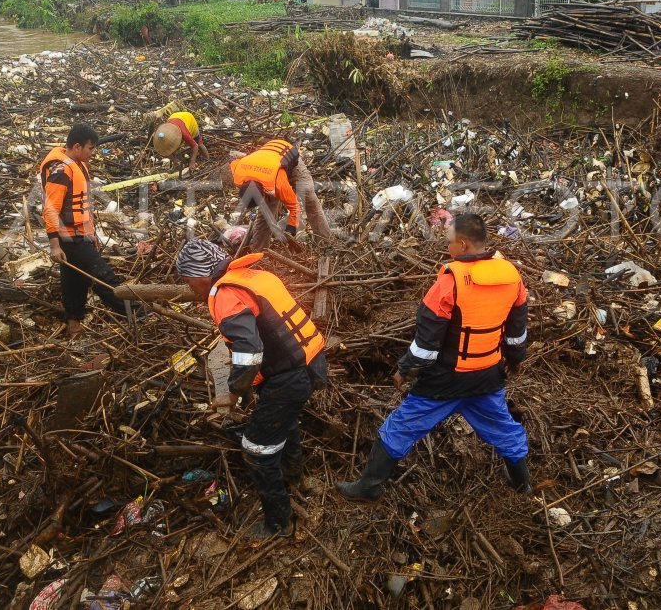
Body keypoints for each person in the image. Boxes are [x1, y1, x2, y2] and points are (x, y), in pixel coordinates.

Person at [338, 213, 531, 501]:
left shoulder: (450, 282)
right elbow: (517, 331)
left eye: (449, 240)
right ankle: (523, 485)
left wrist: (405, 369)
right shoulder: (511, 276)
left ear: (463, 245)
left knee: (401, 426)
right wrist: (515, 359)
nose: (447, 245)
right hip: (488, 375)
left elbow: (426, 342)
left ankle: (368, 487)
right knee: (504, 428)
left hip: (446, 380)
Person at [176, 239, 329, 540]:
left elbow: (249, 352)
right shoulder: (255, 276)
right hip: (312, 363)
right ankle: (296, 478)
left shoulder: (225, 294)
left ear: (200, 274)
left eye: (188, 279)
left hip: (290, 377)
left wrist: (232, 393)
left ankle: (278, 523)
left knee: (256, 450)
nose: (189, 286)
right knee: (283, 421)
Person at [39, 123, 132, 337]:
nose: (93, 153)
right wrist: (54, 246)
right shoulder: (61, 170)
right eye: (91, 148)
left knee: (74, 280)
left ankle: (74, 323)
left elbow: (82, 206)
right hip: (68, 237)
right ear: (78, 146)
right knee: (103, 278)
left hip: (80, 235)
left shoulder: (77, 164)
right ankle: (139, 315)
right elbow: (50, 209)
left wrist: (91, 234)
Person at [228, 138, 331, 248]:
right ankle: (259, 250)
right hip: (268, 160)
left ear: (263, 192)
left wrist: (291, 228)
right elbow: (232, 160)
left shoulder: (278, 183)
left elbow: (294, 206)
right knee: (266, 212)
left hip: (289, 158)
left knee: (309, 198)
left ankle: (325, 243)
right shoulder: (238, 173)